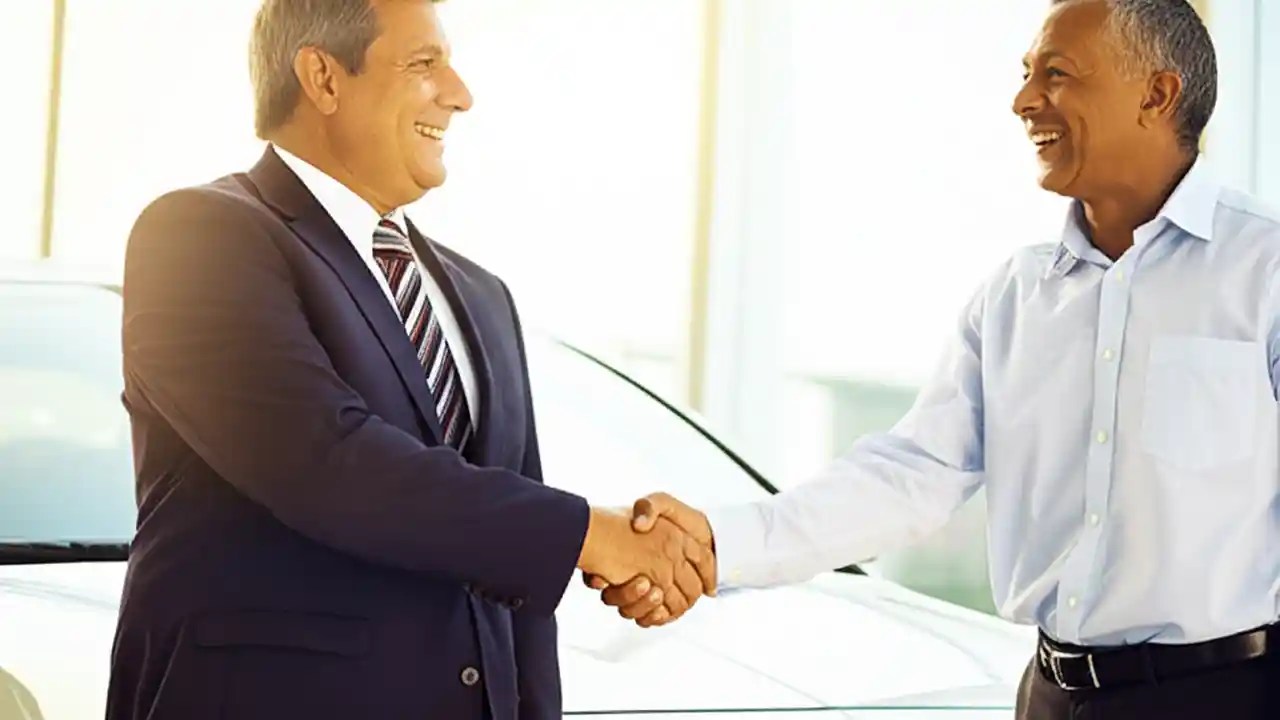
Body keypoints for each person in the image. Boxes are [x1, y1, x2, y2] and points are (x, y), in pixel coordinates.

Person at [591, 0, 1280, 717]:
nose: (1024, 100)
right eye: (1026, 74)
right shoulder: (1015, 296)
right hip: (1050, 696)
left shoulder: (1265, 270)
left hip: (1228, 696)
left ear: (1157, 95)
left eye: (1057, 73)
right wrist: (717, 543)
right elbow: (909, 475)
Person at [106, 1, 712, 719]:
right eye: (424, 64)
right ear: (323, 78)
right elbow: (323, 460)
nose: (460, 94)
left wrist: (599, 557)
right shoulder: (201, 236)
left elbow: (512, 588)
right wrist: (591, 537)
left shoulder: (481, 295)